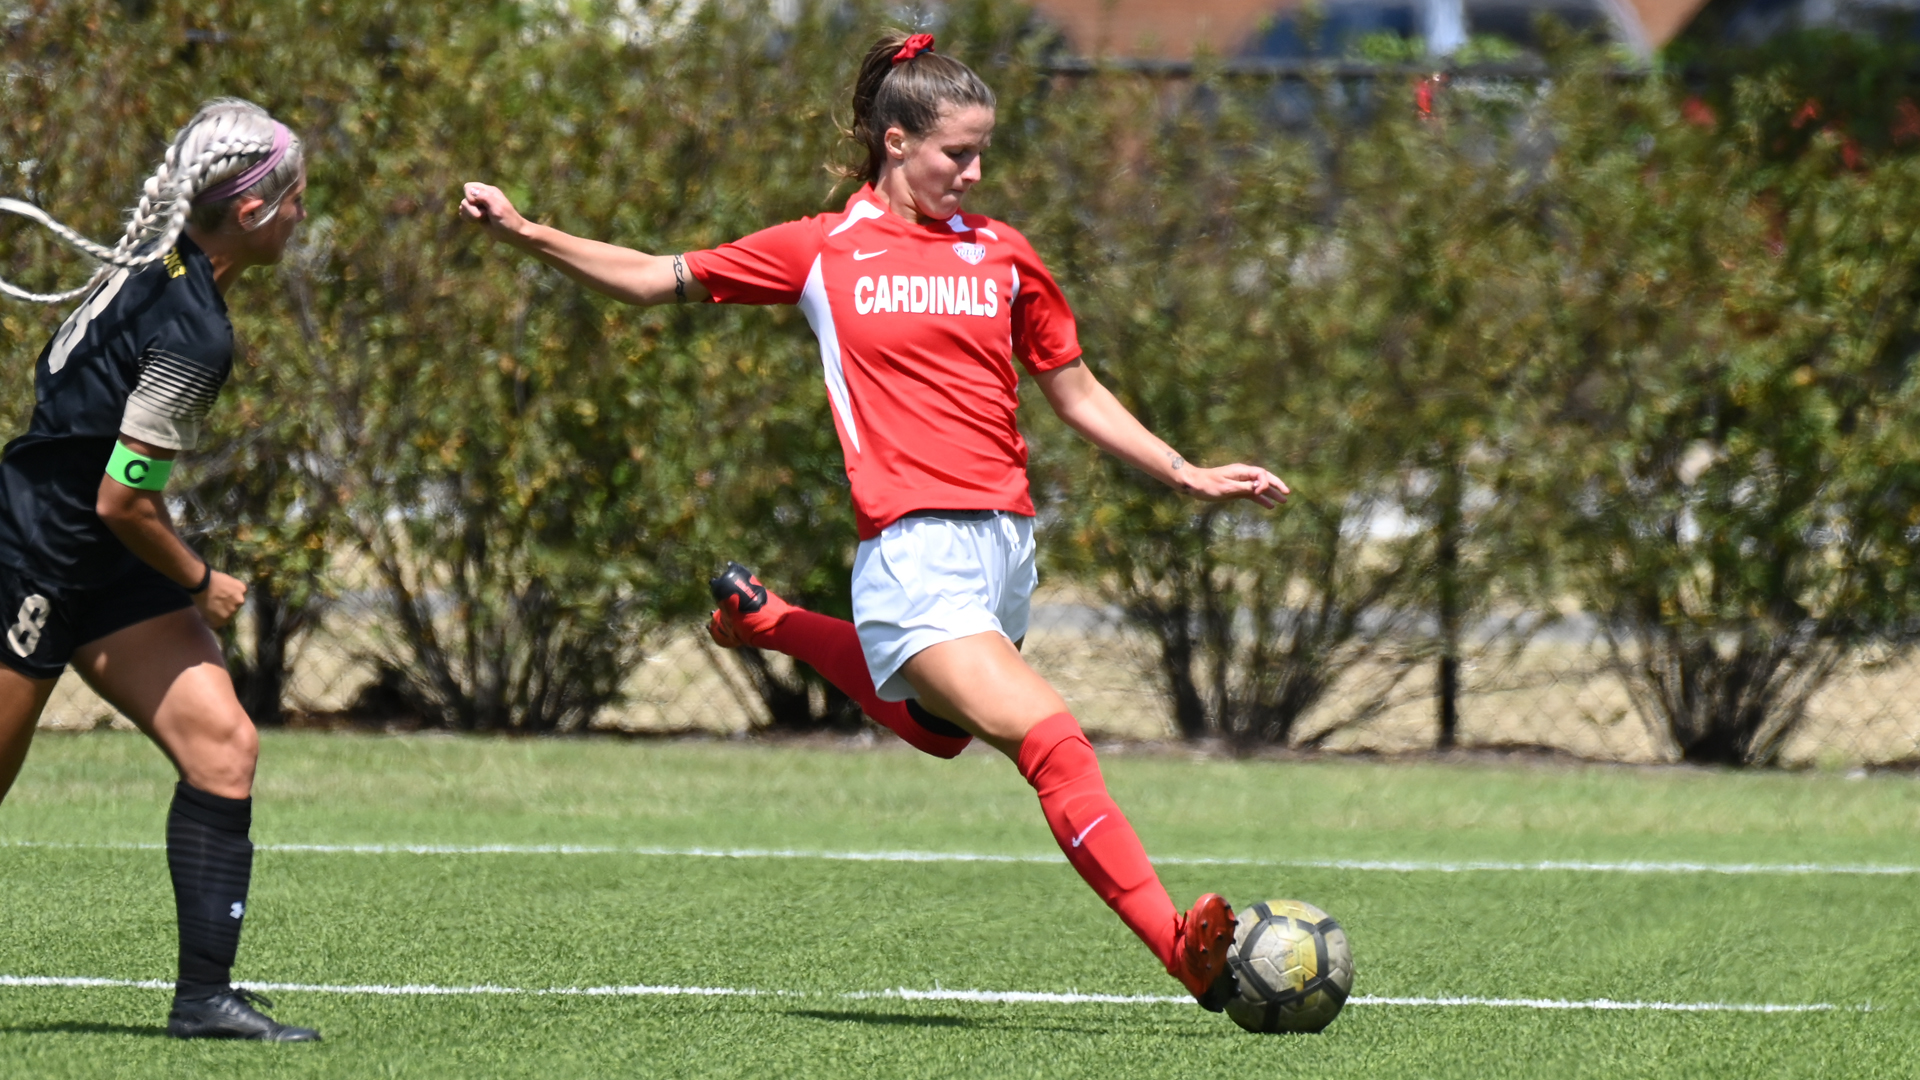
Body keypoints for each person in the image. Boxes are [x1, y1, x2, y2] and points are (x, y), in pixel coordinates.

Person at [458, 31, 1288, 1011]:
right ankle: (1176, 951)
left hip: (1004, 553)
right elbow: (651, 276)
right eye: (957, 154)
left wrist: (1183, 471)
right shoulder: (822, 249)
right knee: (1052, 742)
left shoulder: (1003, 252)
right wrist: (525, 232)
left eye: (983, 154)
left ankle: (771, 623)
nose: (974, 173)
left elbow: (1074, 389)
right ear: (896, 143)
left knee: (939, 731)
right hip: (910, 557)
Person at [0, 99, 320, 1042]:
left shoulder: (154, 257)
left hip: (103, 561)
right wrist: (200, 582)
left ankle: (204, 1000)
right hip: (40, 557)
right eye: (296, 197)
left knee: (224, 747)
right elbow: (123, 502)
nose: (304, 213)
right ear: (254, 215)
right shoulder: (193, 329)